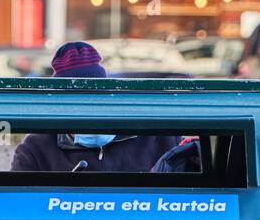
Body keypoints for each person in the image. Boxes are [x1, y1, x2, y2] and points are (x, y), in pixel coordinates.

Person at [10, 41, 182, 173]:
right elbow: (17, 205)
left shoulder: (157, 137)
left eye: (92, 98)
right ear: (60, 105)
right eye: (74, 102)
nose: (84, 112)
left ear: (108, 97)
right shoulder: (36, 148)